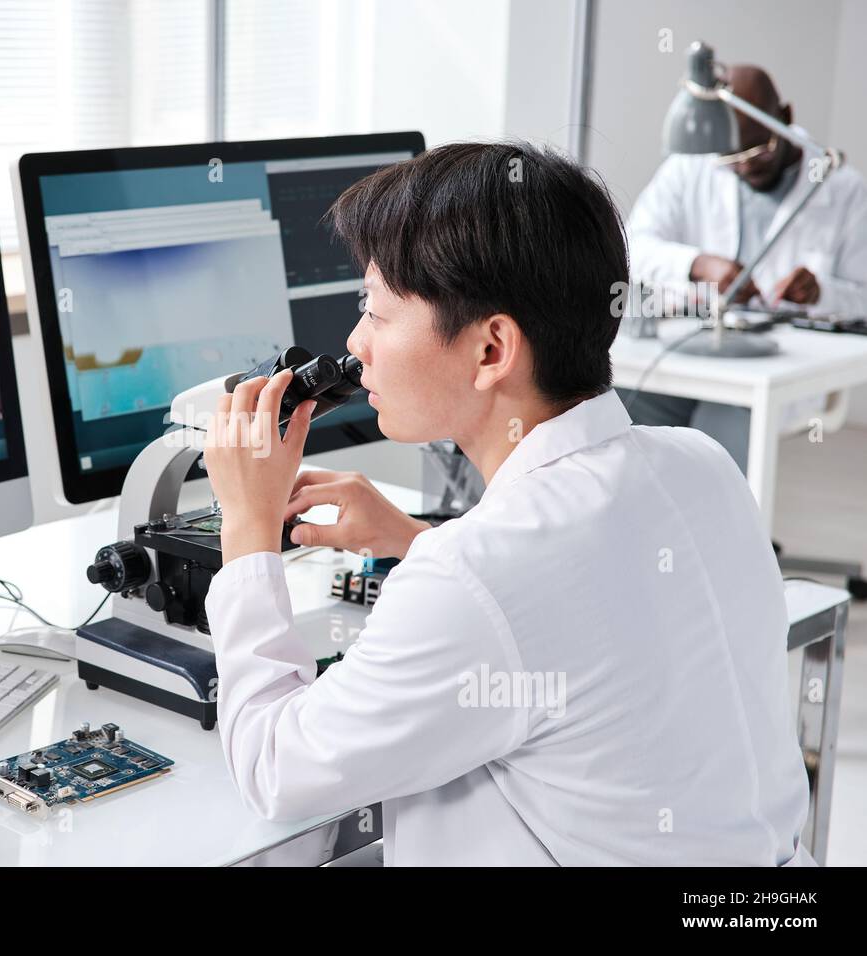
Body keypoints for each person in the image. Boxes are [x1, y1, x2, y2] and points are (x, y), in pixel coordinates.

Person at [200, 142, 812, 866]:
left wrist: (246, 530)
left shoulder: (476, 576)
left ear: (492, 349)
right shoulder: (700, 463)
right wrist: (418, 540)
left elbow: (276, 768)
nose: (355, 344)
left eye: (378, 311)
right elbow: (573, 601)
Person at [621, 64, 867, 470]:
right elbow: (631, 247)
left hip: (776, 368)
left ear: (785, 117)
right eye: (732, 158)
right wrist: (697, 264)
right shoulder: (695, 164)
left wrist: (821, 292)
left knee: (714, 434)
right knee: (624, 407)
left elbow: (862, 300)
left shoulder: (842, 188)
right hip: (691, 352)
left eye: (758, 150)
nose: (746, 166)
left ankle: (716, 533)